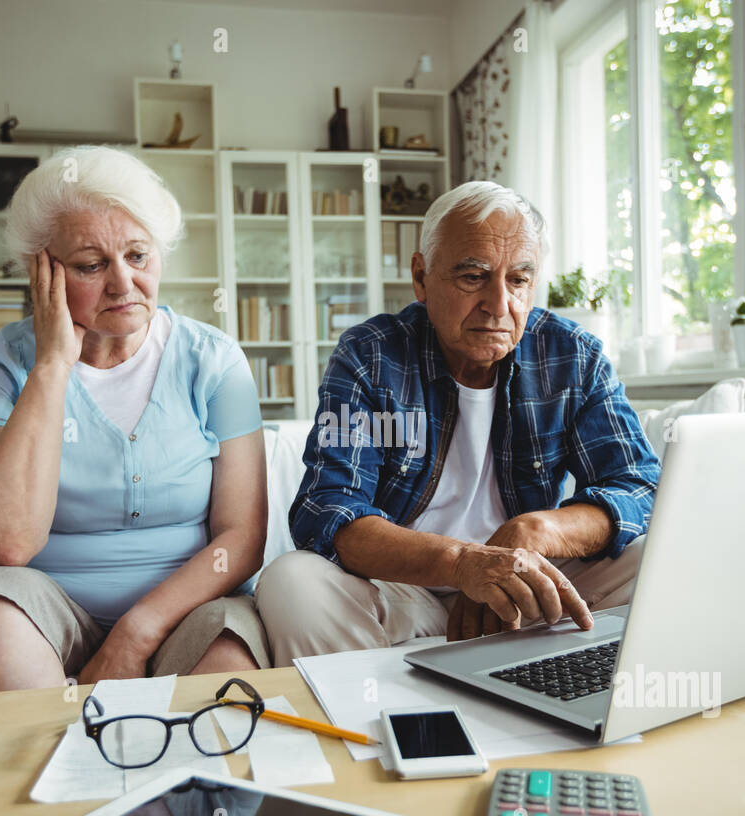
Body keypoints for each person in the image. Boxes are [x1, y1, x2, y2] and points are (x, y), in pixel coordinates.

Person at [255, 181, 660, 661]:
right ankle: (377, 719)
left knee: (659, 560)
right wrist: (463, 563)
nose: (499, 304)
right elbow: (327, 509)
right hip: (408, 593)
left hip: (527, 586)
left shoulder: (571, 355)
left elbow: (638, 487)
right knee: (291, 582)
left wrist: (535, 533)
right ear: (421, 278)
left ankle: (560, 686)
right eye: (473, 277)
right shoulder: (369, 356)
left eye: (518, 280)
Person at [0, 146, 268, 714]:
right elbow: (5, 543)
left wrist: (133, 636)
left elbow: (242, 538)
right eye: (92, 265)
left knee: (227, 672)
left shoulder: (213, 360)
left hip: (184, 609)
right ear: (39, 270)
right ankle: (42, 802)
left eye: (138, 256)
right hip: (43, 607)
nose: (124, 283)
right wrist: (51, 366)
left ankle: (190, 807)